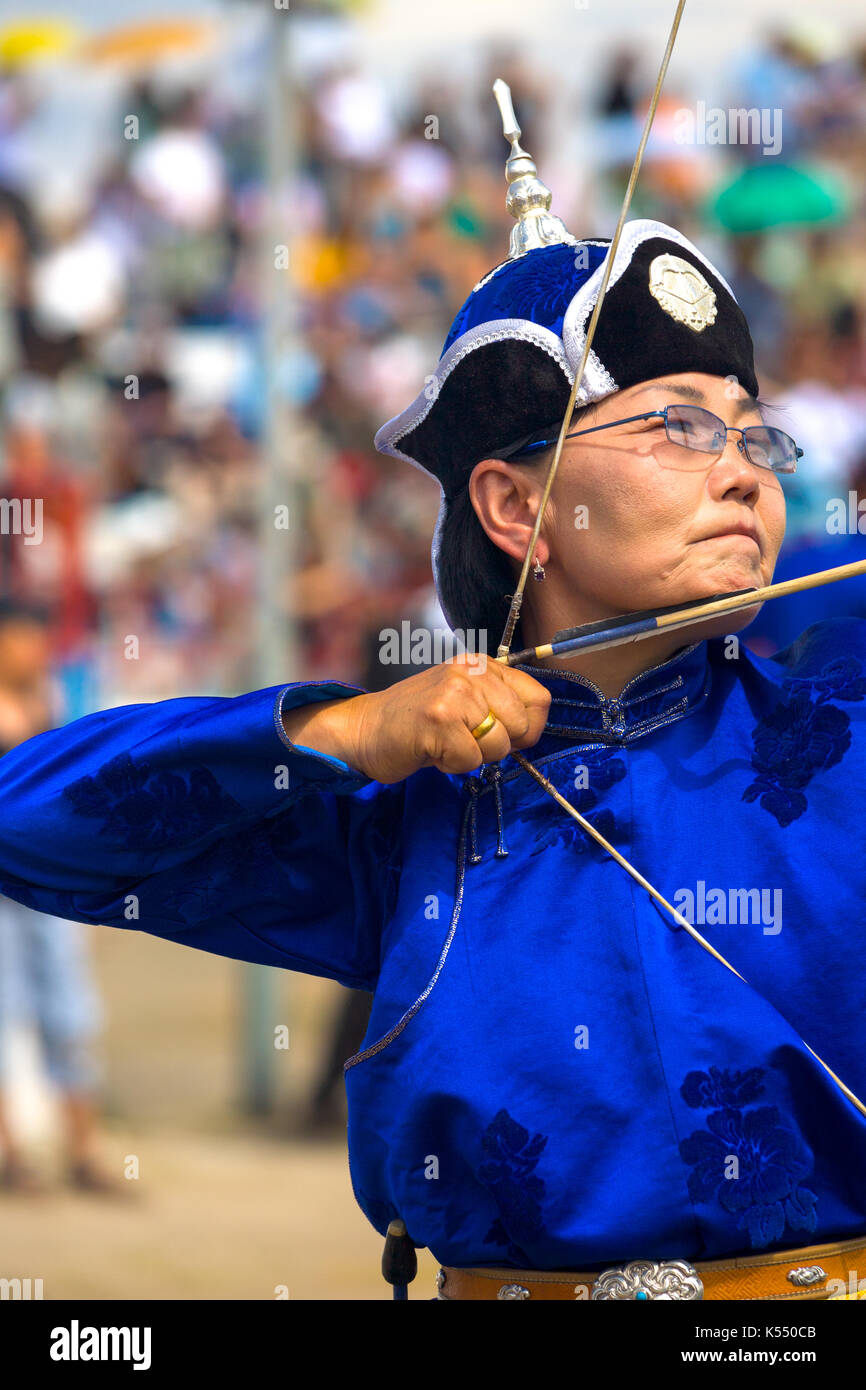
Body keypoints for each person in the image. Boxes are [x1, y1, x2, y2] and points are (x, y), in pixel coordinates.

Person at [0, 92, 864, 1301]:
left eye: (751, 436)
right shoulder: (405, 811)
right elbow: (25, 821)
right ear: (517, 509)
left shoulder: (835, 737)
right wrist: (341, 730)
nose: (739, 473)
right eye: (676, 426)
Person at [0, 601, 124, 1195]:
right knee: (4, 1019)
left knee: (69, 1016)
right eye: (21, 640)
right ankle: (13, 1155)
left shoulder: (53, 697)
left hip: (50, 884)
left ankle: (82, 1151)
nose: (32, 651)